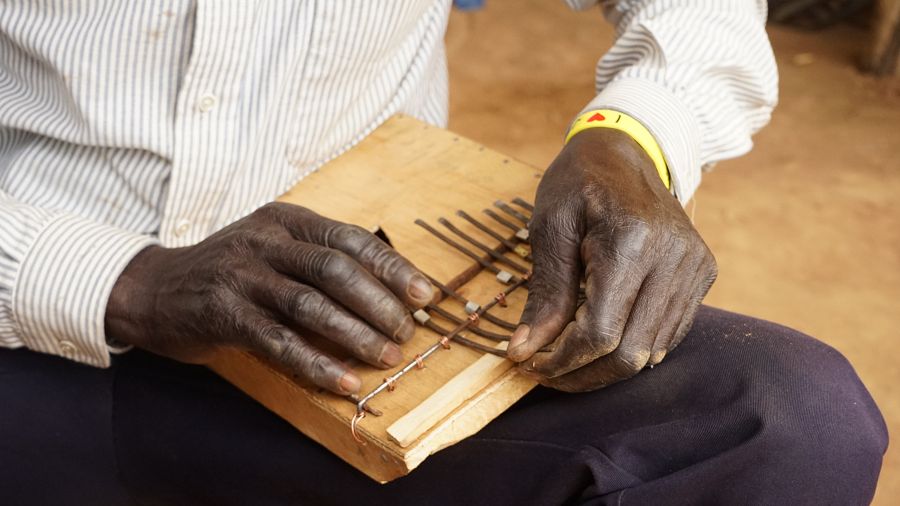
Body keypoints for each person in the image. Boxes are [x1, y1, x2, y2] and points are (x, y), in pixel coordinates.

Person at [0, 0, 887, 504]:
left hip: (364, 319)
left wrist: (635, 132)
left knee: (791, 418)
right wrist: (124, 280)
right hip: (33, 327)